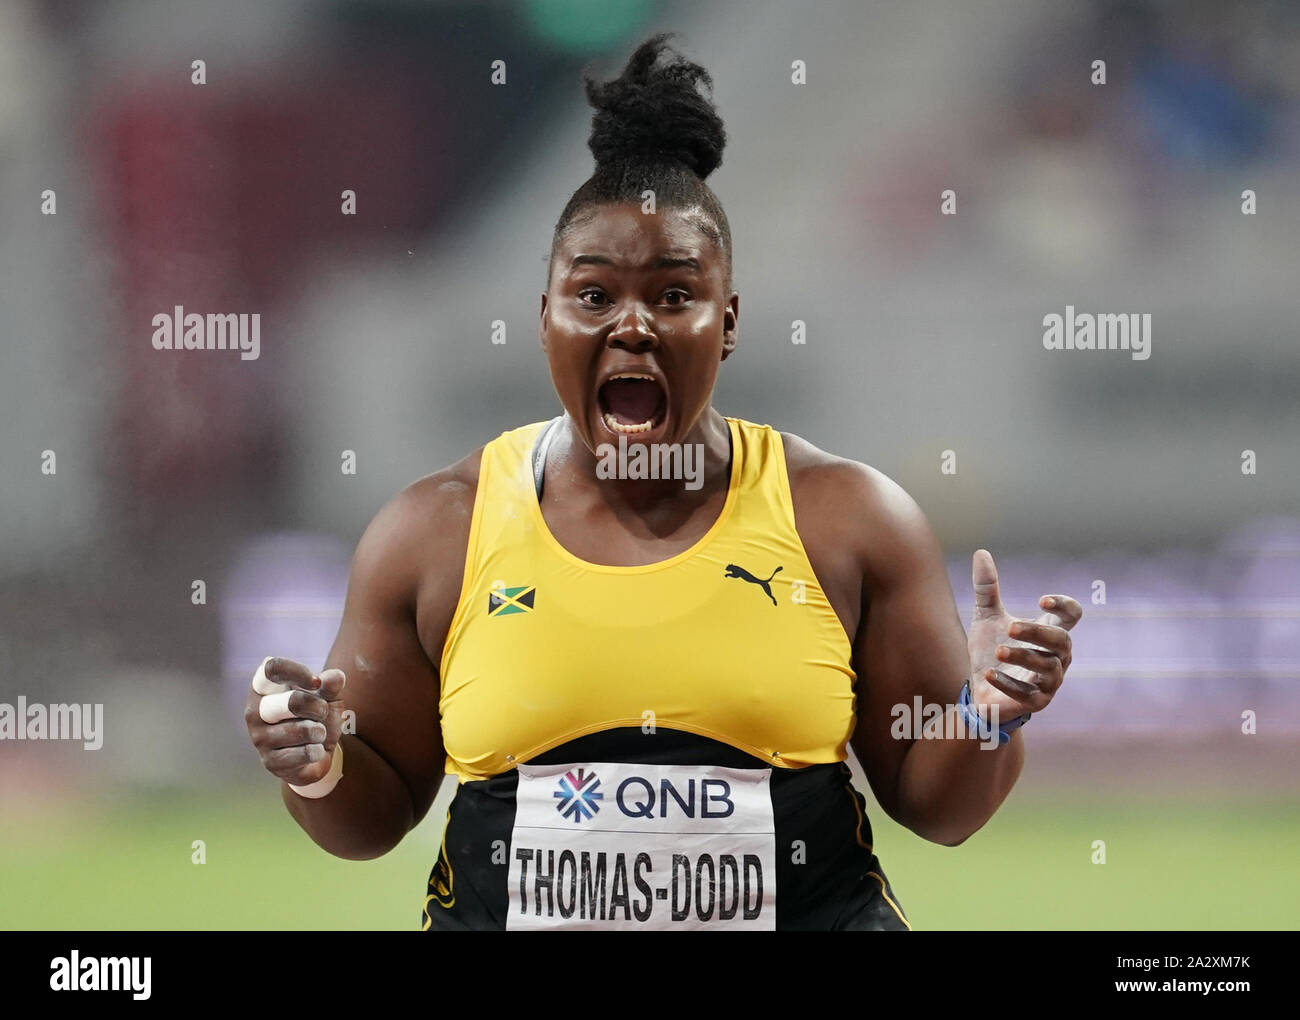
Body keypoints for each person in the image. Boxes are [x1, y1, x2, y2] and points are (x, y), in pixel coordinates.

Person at [243, 32, 1081, 931]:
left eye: (675, 296)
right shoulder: (436, 531)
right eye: (594, 295)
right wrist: (318, 763)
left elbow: (939, 811)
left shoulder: (846, 519)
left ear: (727, 323)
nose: (633, 324)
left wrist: (989, 717)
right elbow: (370, 822)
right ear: (546, 320)